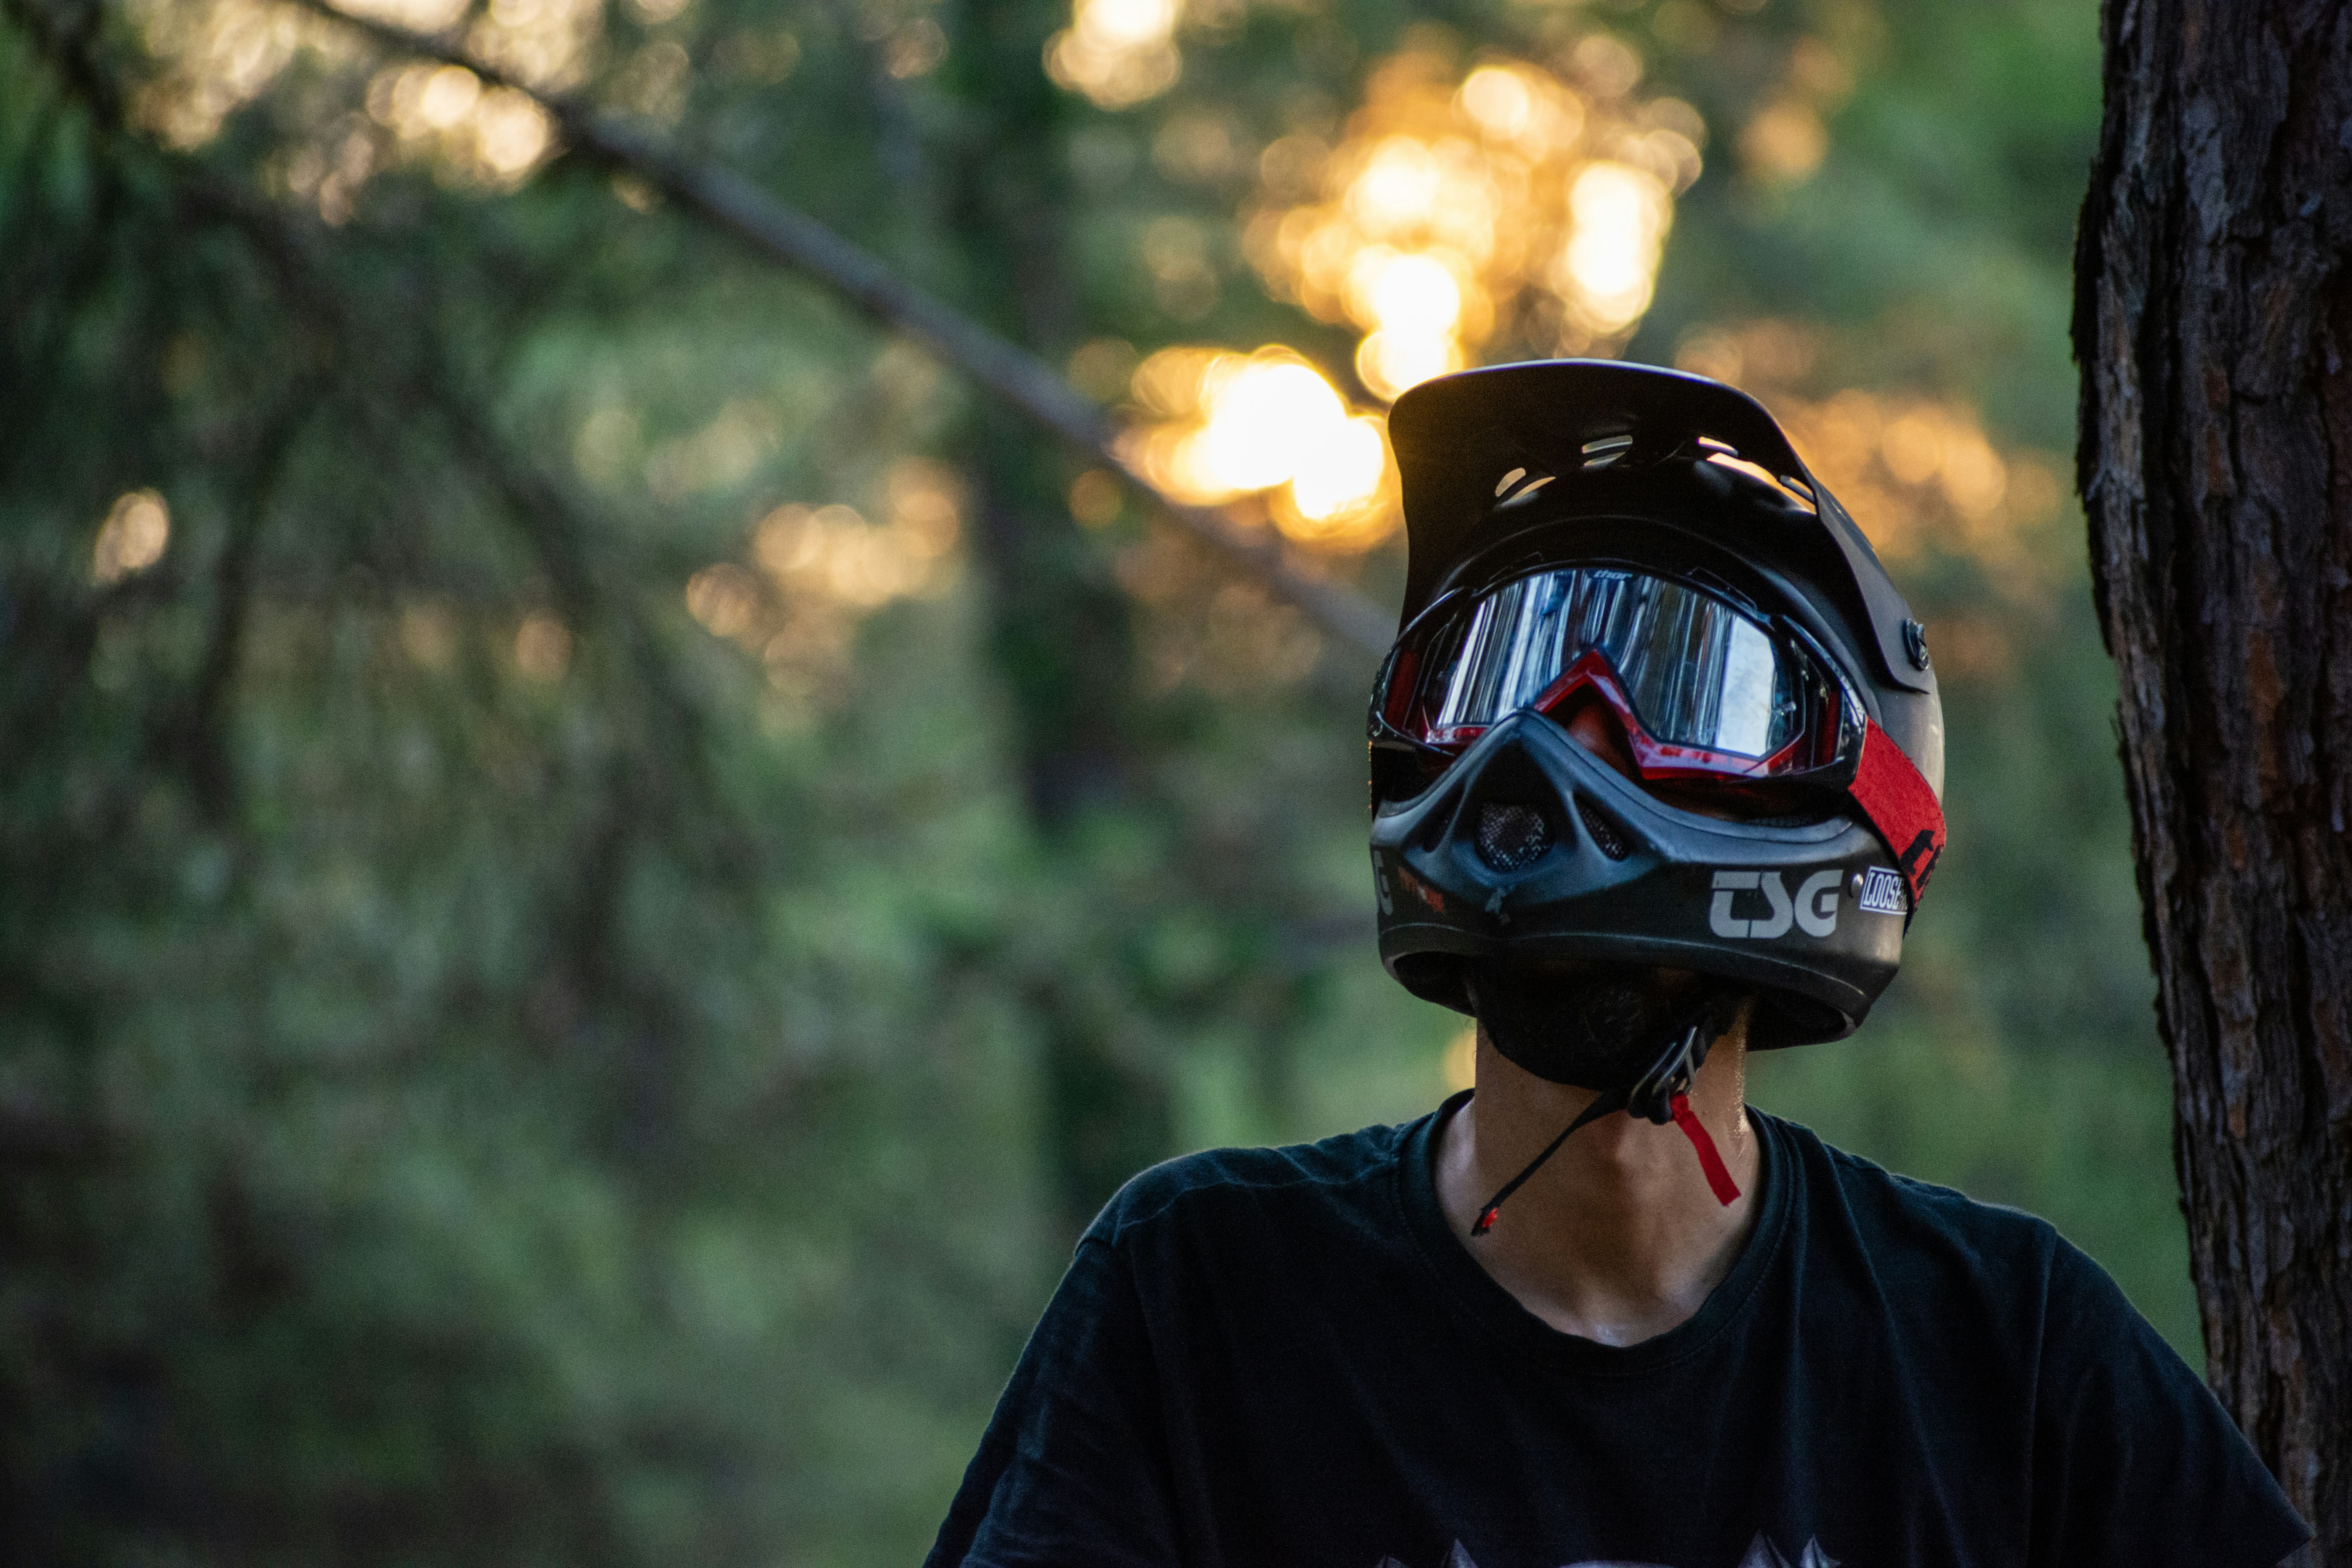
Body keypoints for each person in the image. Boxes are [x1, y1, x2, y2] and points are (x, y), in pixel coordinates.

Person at [924, 361, 2311, 1568]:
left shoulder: (2005, 1352)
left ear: (1854, 784)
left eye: (1680, 696)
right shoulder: (1200, 1298)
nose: (1551, 749)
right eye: (1498, 678)